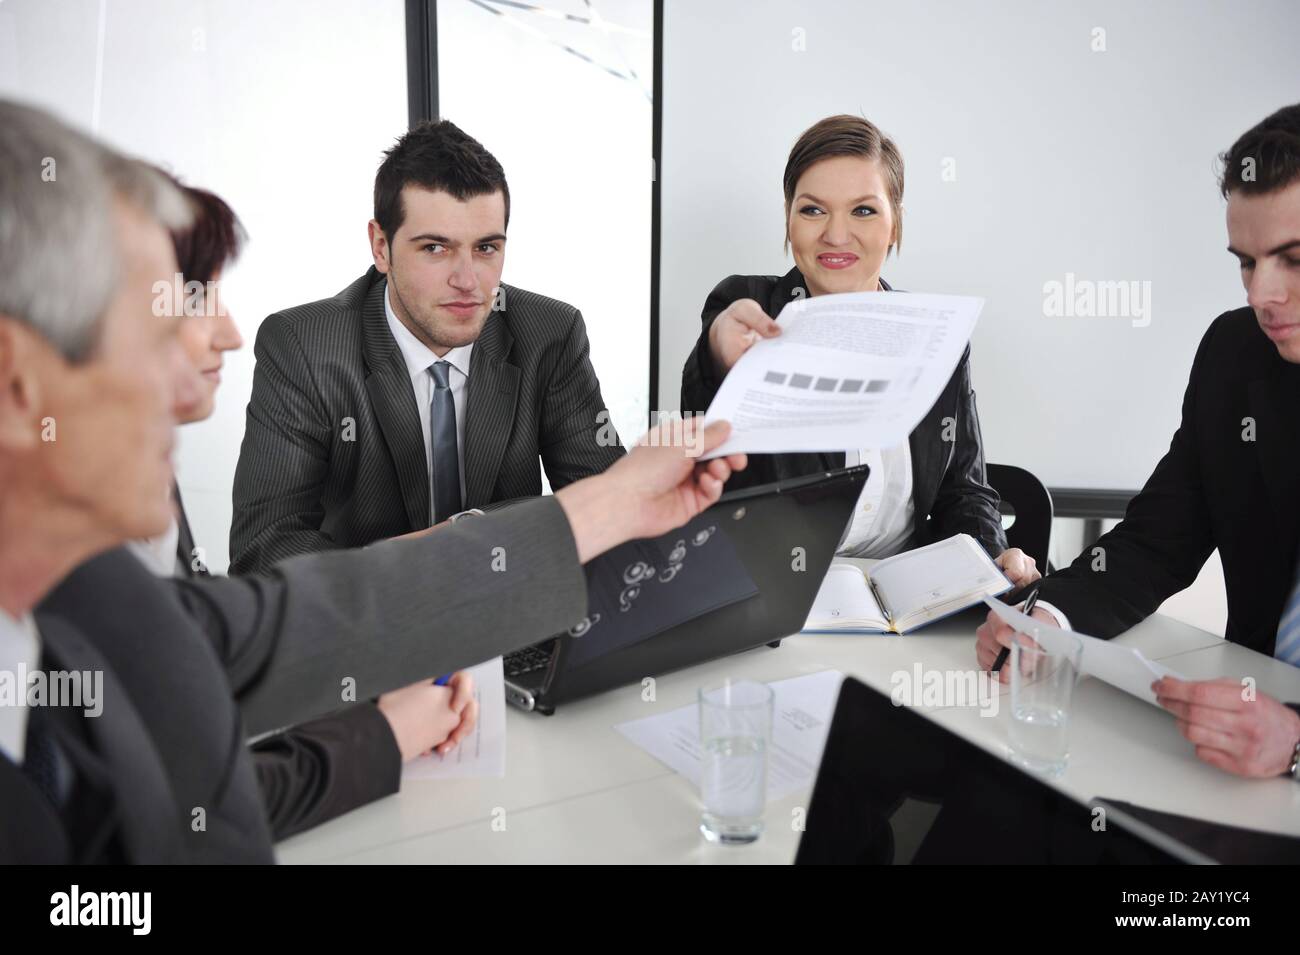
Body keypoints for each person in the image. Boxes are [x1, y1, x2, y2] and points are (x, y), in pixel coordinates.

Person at [0, 99, 746, 862]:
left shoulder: (95, 599)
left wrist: (619, 498)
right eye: (164, 327)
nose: (210, 356)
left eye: (488, 247)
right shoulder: (306, 345)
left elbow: (308, 621)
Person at [124, 177, 477, 840]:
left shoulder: (139, 465)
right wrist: (382, 732)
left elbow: (203, 660)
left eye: (487, 247)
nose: (226, 331)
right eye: (194, 298)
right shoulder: (304, 345)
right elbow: (185, 812)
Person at [975, 103, 1300, 780]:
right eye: (1246, 263)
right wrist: (1051, 621)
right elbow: (1157, 539)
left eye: (1293, 260)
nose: (1263, 294)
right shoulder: (1235, 356)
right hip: (1226, 755)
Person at [230, 119, 625, 573]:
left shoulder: (550, 334)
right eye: (435, 248)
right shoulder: (303, 346)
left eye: (486, 248)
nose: (468, 281)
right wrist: (434, 559)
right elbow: (262, 550)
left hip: (514, 622)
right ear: (381, 247)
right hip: (373, 630)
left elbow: (611, 513)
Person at [680, 114, 1039, 586]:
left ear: (895, 225)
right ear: (788, 218)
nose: (835, 235)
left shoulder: (938, 337)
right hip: (775, 591)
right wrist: (720, 352)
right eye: (813, 210)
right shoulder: (745, 307)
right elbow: (703, 425)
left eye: (864, 211)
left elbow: (964, 492)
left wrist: (989, 564)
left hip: (905, 593)